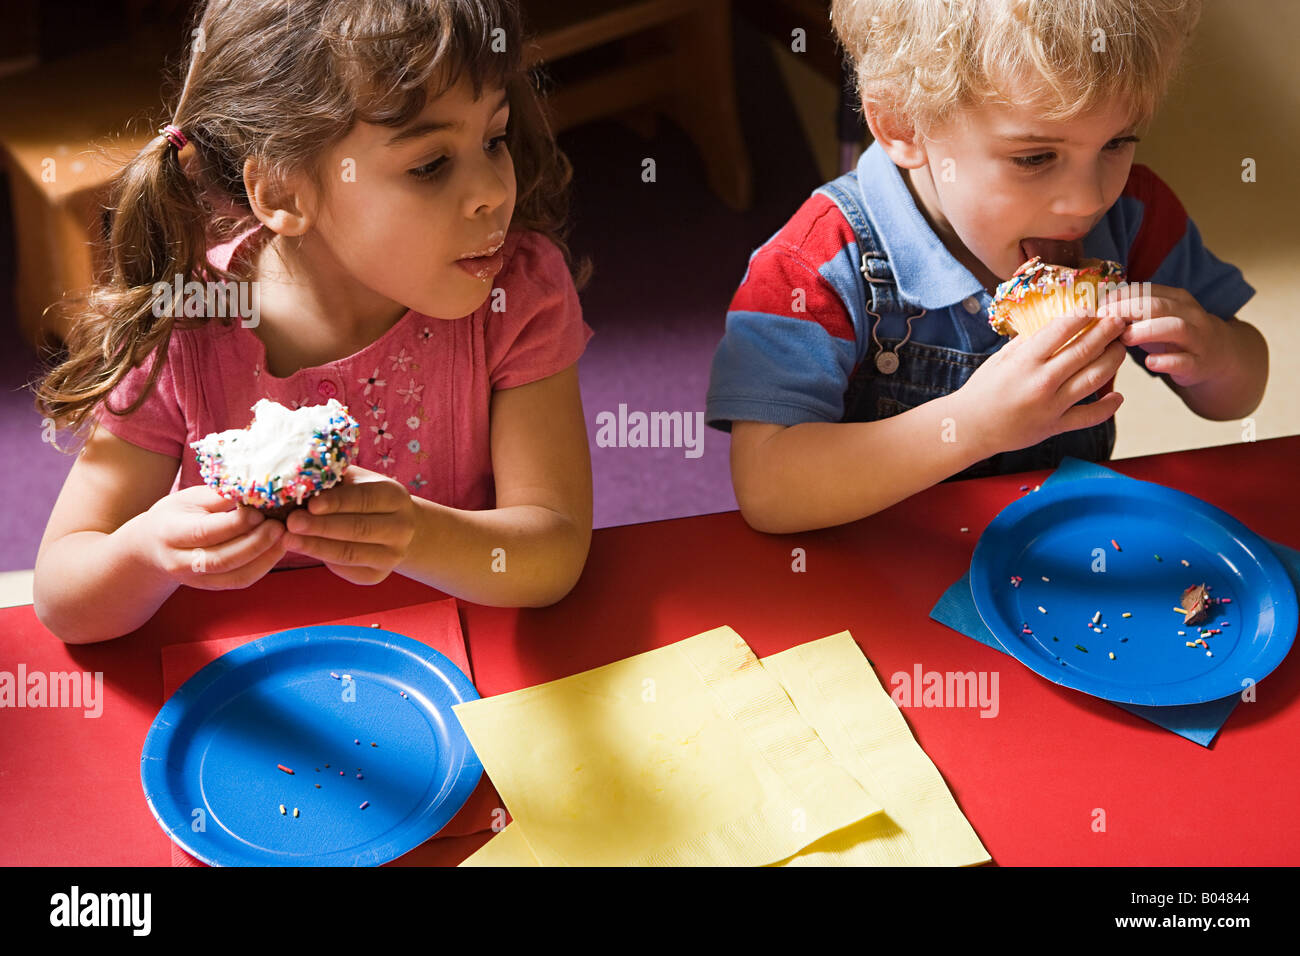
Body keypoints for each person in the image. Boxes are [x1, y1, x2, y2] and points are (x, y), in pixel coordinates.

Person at [33, 0, 594, 643]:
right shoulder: (184, 327)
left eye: (493, 139)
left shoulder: (517, 298)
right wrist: (145, 554)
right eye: (430, 164)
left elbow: (553, 553)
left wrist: (415, 533)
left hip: (459, 665)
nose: (494, 189)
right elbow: (63, 599)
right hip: (253, 690)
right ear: (283, 193)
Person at [706, 0, 1266, 533]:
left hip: (1061, 563)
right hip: (880, 572)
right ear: (904, 125)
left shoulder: (1133, 217)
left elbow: (1238, 396)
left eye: (1116, 142)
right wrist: (972, 427)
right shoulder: (817, 264)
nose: (1087, 199)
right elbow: (768, 488)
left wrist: (1211, 354)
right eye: (1035, 157)